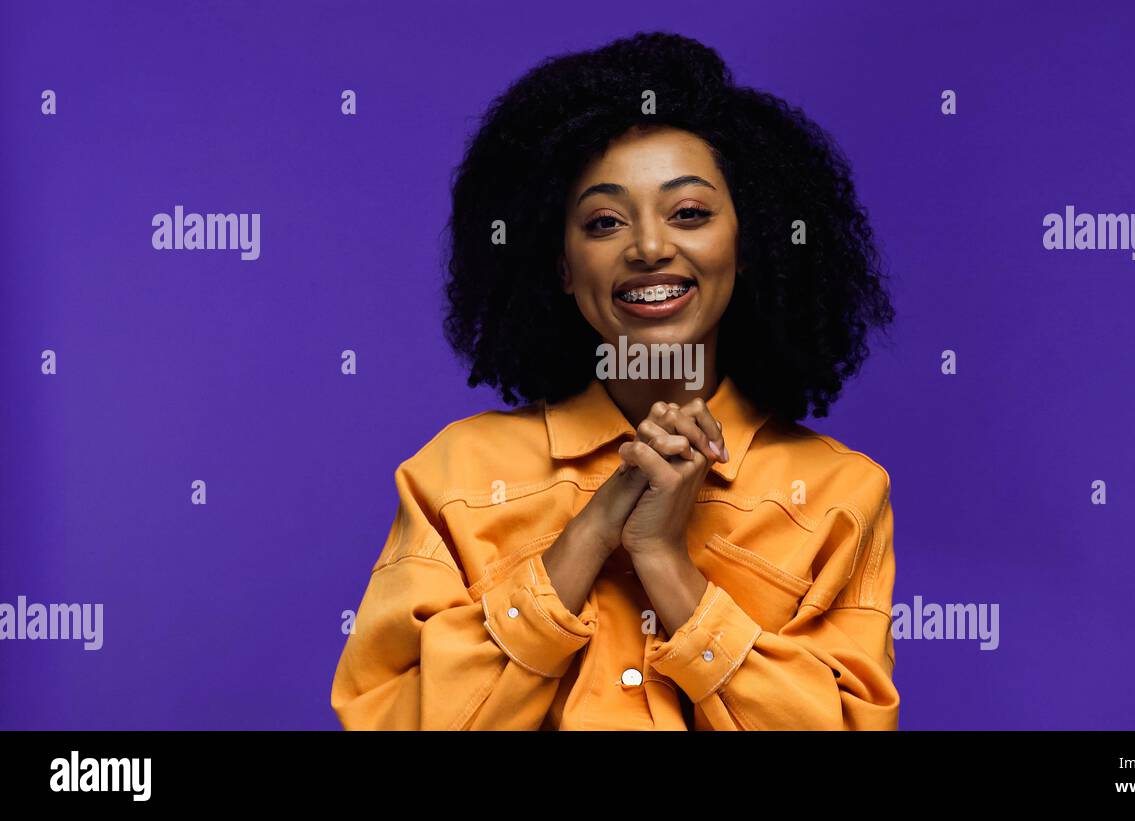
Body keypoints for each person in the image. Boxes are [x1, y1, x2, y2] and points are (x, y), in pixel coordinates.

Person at [330, 31, 899, 730]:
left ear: (749, 245)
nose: (650, 247)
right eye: (604, 221)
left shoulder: (843, 496)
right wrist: (591, 531)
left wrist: (663, 558)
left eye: (689, 213)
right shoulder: (453, 474)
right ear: (562, 267)